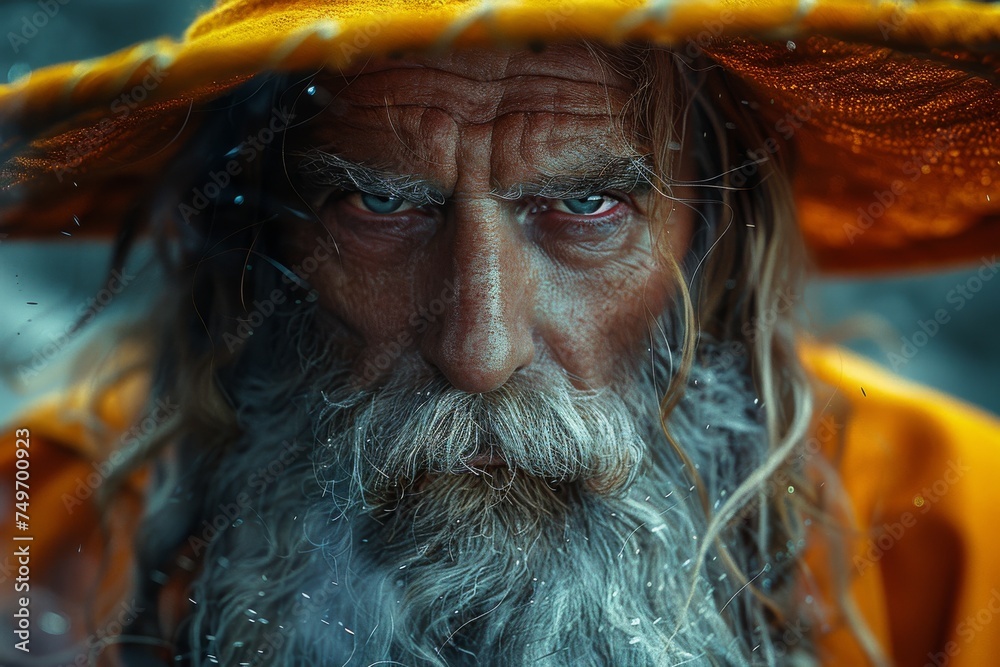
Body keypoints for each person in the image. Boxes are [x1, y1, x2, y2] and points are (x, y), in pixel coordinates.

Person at [1, 0, 999, 665]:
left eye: (588, 209)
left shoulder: (956, 531)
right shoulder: (36, 520)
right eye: (379, 208)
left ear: (719, 242)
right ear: (262, 237)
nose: (477, 350)